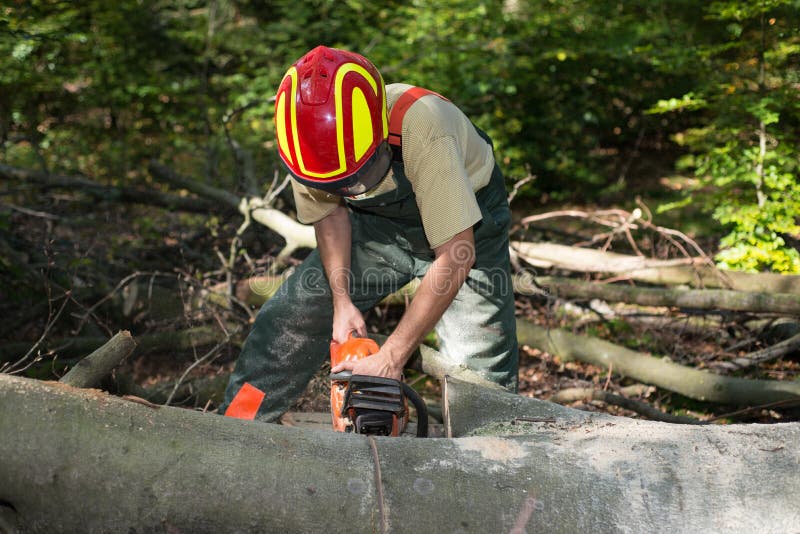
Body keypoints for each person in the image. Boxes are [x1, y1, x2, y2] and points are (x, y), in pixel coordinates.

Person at [218, 45, 518, 422]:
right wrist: (342, 302)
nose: (352, 189)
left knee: (478, 368)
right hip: (374, 228)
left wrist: (392, 356)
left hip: (470, 223)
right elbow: (329, 217)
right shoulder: (306, 145)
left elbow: (457, 256)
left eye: (358, 177)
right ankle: (236, 428)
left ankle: (495, 458)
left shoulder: (422, 126)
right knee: (287, 318)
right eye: (340, 184)